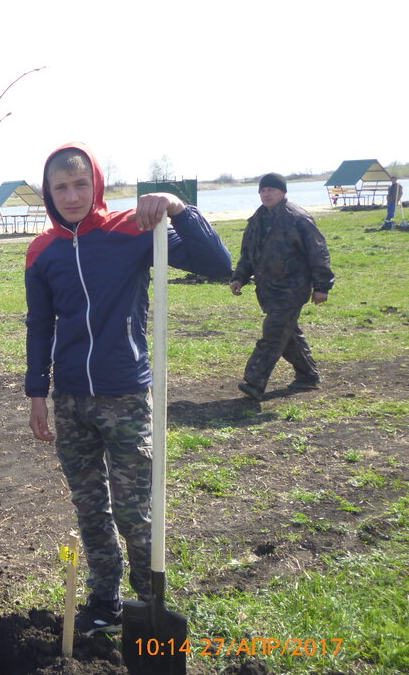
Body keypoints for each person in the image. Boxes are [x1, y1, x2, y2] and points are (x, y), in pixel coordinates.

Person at [25, 143, 232, 636]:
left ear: (95, 183)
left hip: (126, 396)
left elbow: (218, 264)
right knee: (90, 507)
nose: (72, 196)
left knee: (134, 508)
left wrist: (180, 210)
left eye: (80, 184)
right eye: (60, 187)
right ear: (48, 193)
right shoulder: (42, 251)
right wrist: (38, 392)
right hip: (72, 399)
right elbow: (39, 326)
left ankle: (149, 602)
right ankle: (105, 600)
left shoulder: (133, 231)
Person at [230, 172, 335, 400]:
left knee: (273, 334)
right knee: (287, 336)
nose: (266, 194)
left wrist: (321, 286)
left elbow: (318, 253)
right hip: (268, 290)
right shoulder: (257, 220)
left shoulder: (298, 218)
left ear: (283, 192)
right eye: (263, 190)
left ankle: (254, 382)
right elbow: (248, 254)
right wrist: (239, 277)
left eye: (271, 190)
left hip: (292, 289)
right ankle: (308, 376)